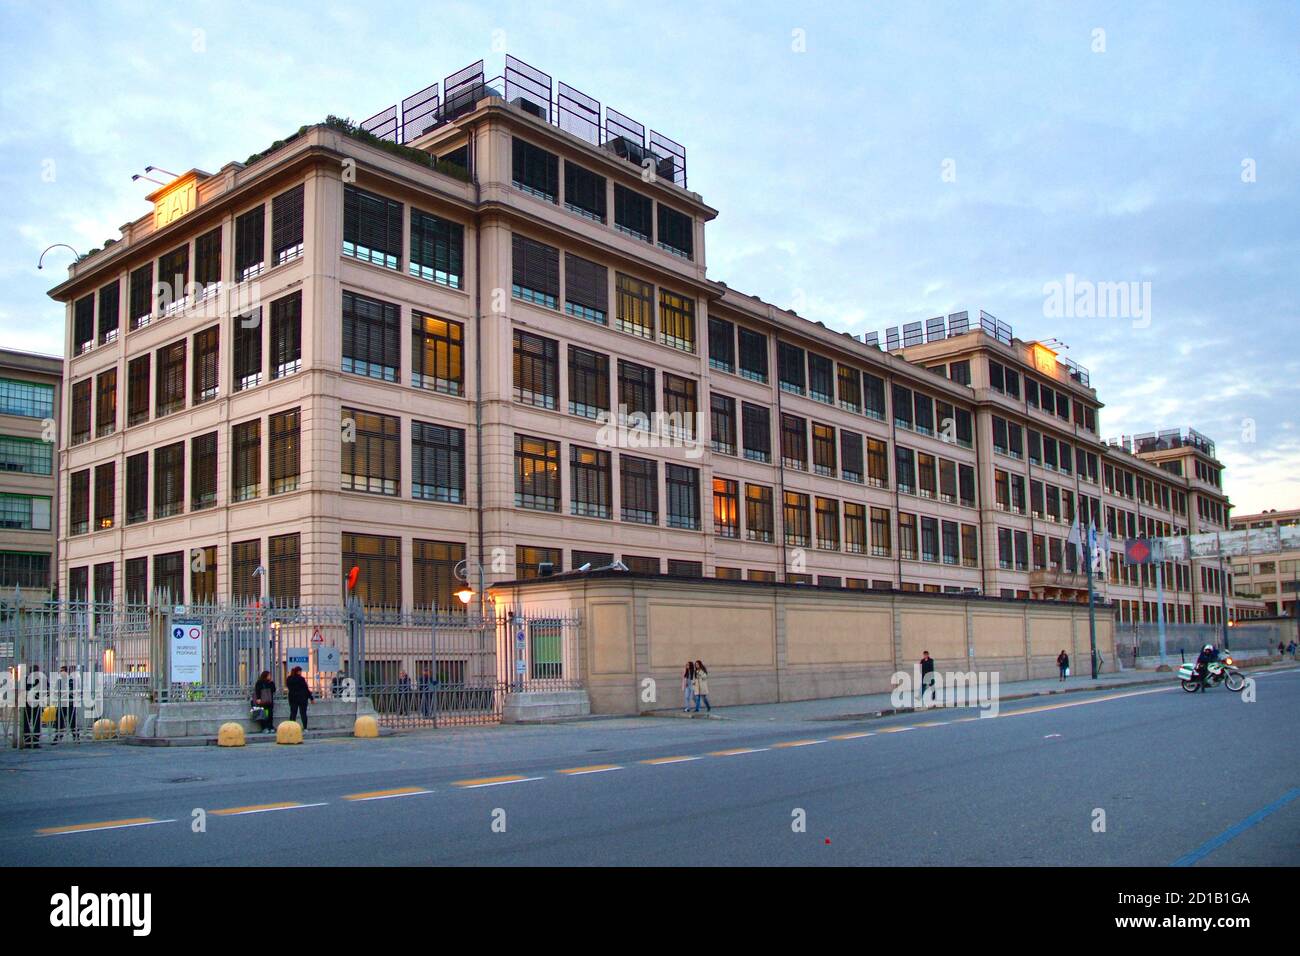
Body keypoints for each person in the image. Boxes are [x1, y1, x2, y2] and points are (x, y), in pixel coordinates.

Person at [54, 665, 78, 743]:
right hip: (61, 703)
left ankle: (76, 736)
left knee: (72, 721)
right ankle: (58, 736)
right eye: (60, 671)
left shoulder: (72, 680)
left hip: (70, 703)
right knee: (59, 720)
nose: (61, 673)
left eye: (63, 671)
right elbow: (56, 690)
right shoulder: (59, 681)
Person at [22, 664, 43, 749]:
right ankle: (35, 741)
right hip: (35, 703)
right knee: (36, 722)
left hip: (27, 703)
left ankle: (28, 741)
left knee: (27, 722)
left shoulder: (26, 679)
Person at [286, 666, 313, 731]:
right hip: (302, 698)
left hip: (293, 698)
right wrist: (311, 698)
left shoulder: (289, 679)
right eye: (300, 671)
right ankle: (305, 727)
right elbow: (306, 689)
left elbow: (289, 687)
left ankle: (291, 728)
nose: (301, 672)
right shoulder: (301, 679)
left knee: (293, 713)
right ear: (298, 671)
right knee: (303, 713)